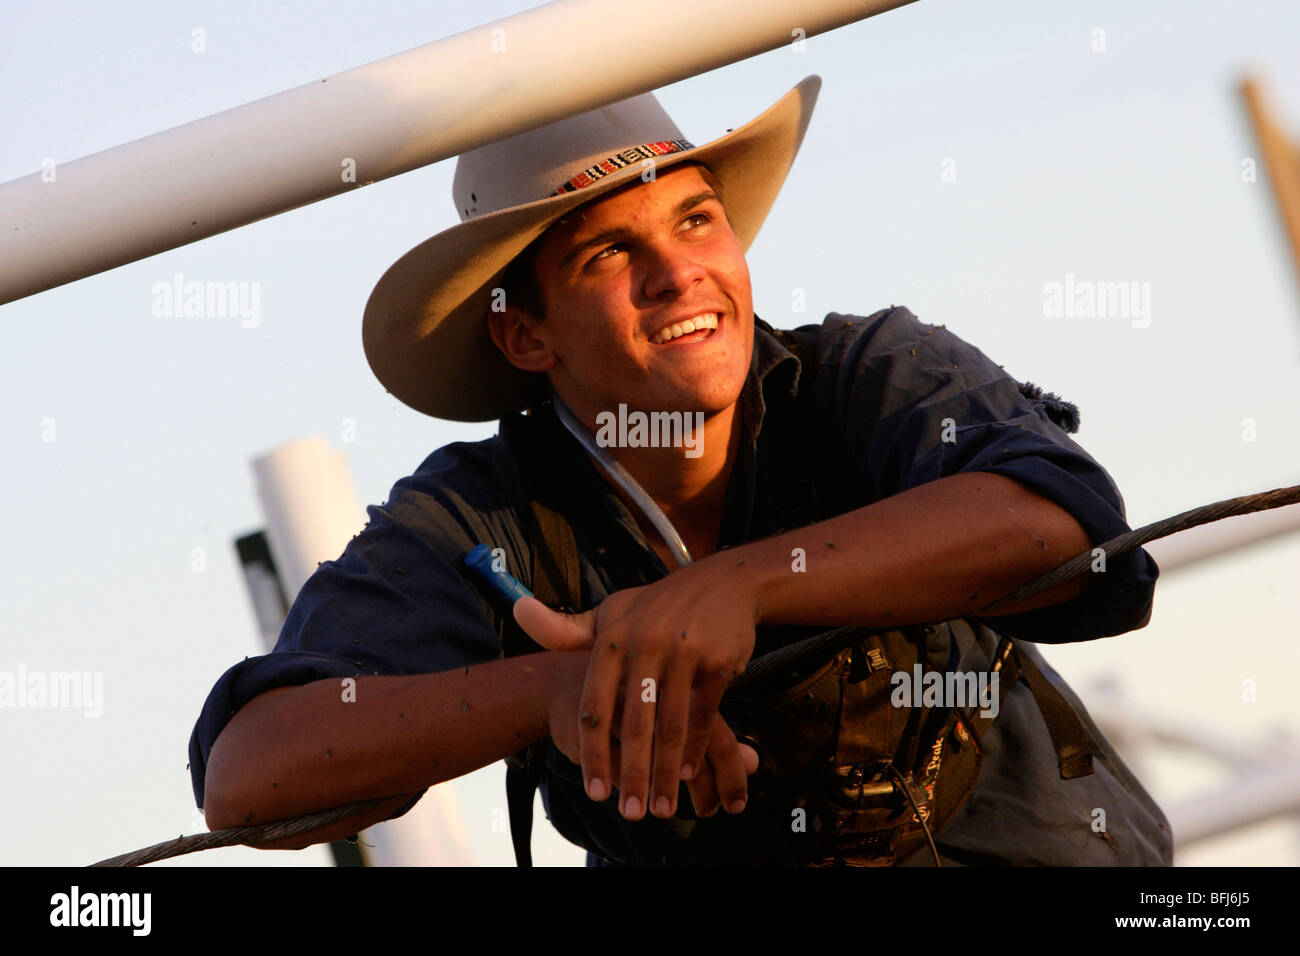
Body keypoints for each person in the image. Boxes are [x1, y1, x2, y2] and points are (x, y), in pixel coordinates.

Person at [191, 75, 1173, 866]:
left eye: (698, 221)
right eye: (611, 252)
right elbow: (253, 769)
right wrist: (564, 688)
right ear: (525, 333)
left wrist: (737, 585)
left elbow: (1063, 520)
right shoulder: (479, 514)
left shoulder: (868, 371)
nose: (678, 272)